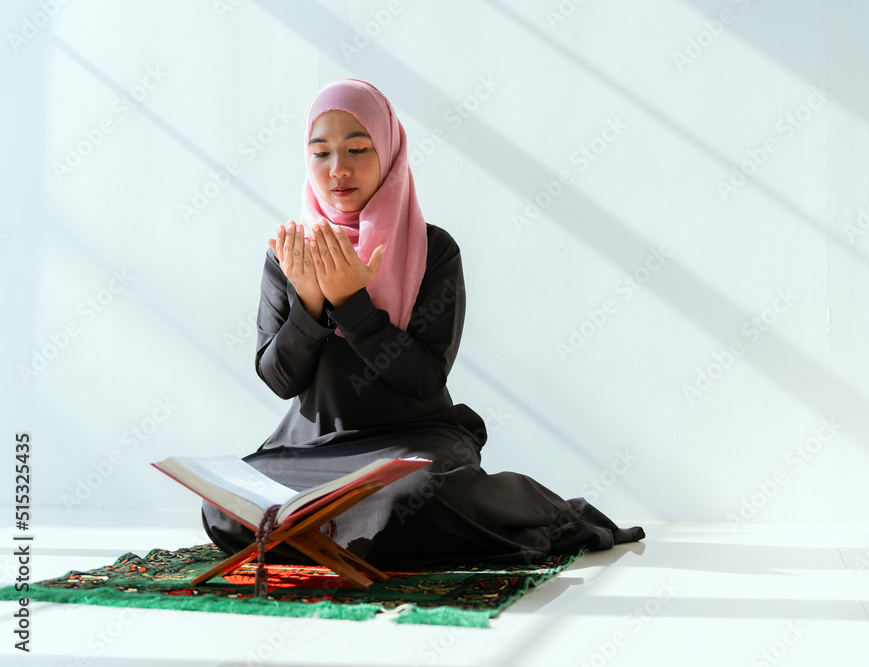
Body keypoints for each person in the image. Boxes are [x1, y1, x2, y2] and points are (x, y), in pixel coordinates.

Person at [201, 78, 643, 568]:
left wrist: (351, 303)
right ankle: (359, 535)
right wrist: (307, 302)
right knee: (223, 508)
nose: (338, 169)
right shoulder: (290, 255)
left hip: (413, 441)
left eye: (357, 148)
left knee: (417, 499)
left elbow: (424, 378)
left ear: (388, 151)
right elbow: (280, 380)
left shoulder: (433, 250)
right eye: (320, 152)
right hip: (311, 451)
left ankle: (533, 509)